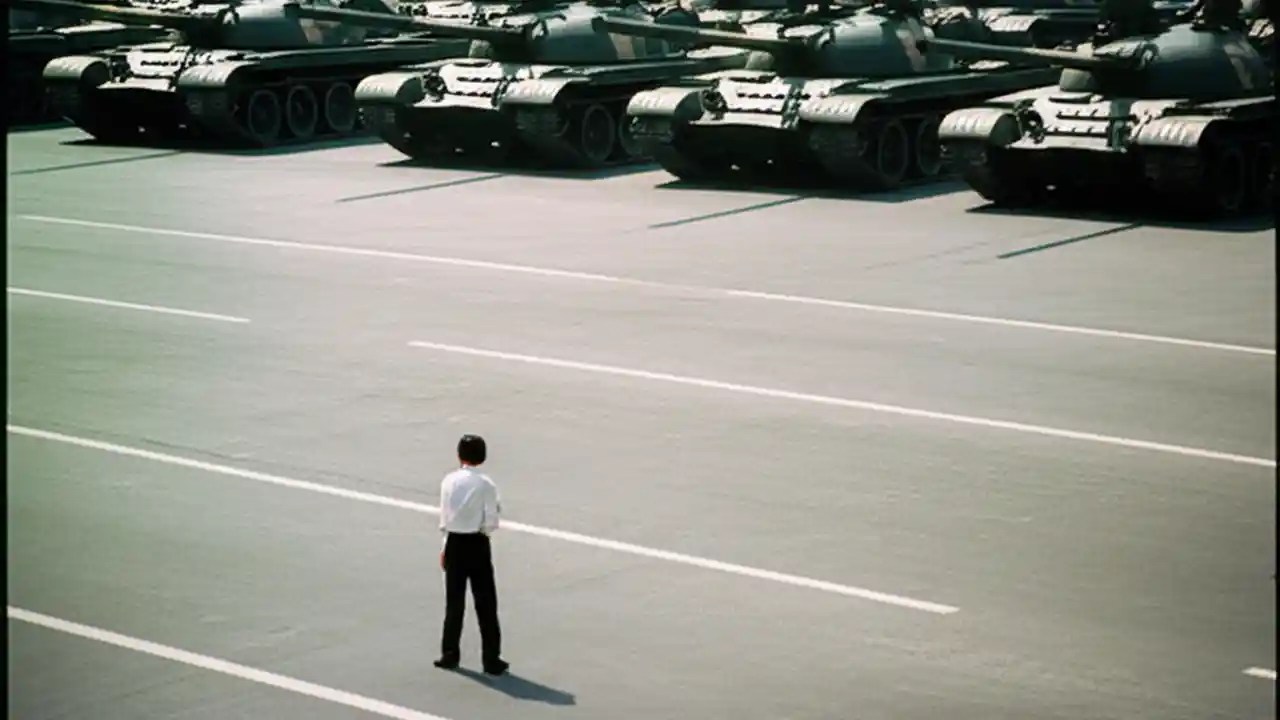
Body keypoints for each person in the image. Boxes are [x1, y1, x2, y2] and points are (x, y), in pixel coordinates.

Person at [434, 434, 509, 676]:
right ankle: (491, 659)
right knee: (486, 603)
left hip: (454, 542)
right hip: (476, 544)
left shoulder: (448, 480)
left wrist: (445, 546)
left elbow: (445, 518)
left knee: (454, 603)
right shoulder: (485, 484)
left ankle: (449, 654)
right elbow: (491, 521)